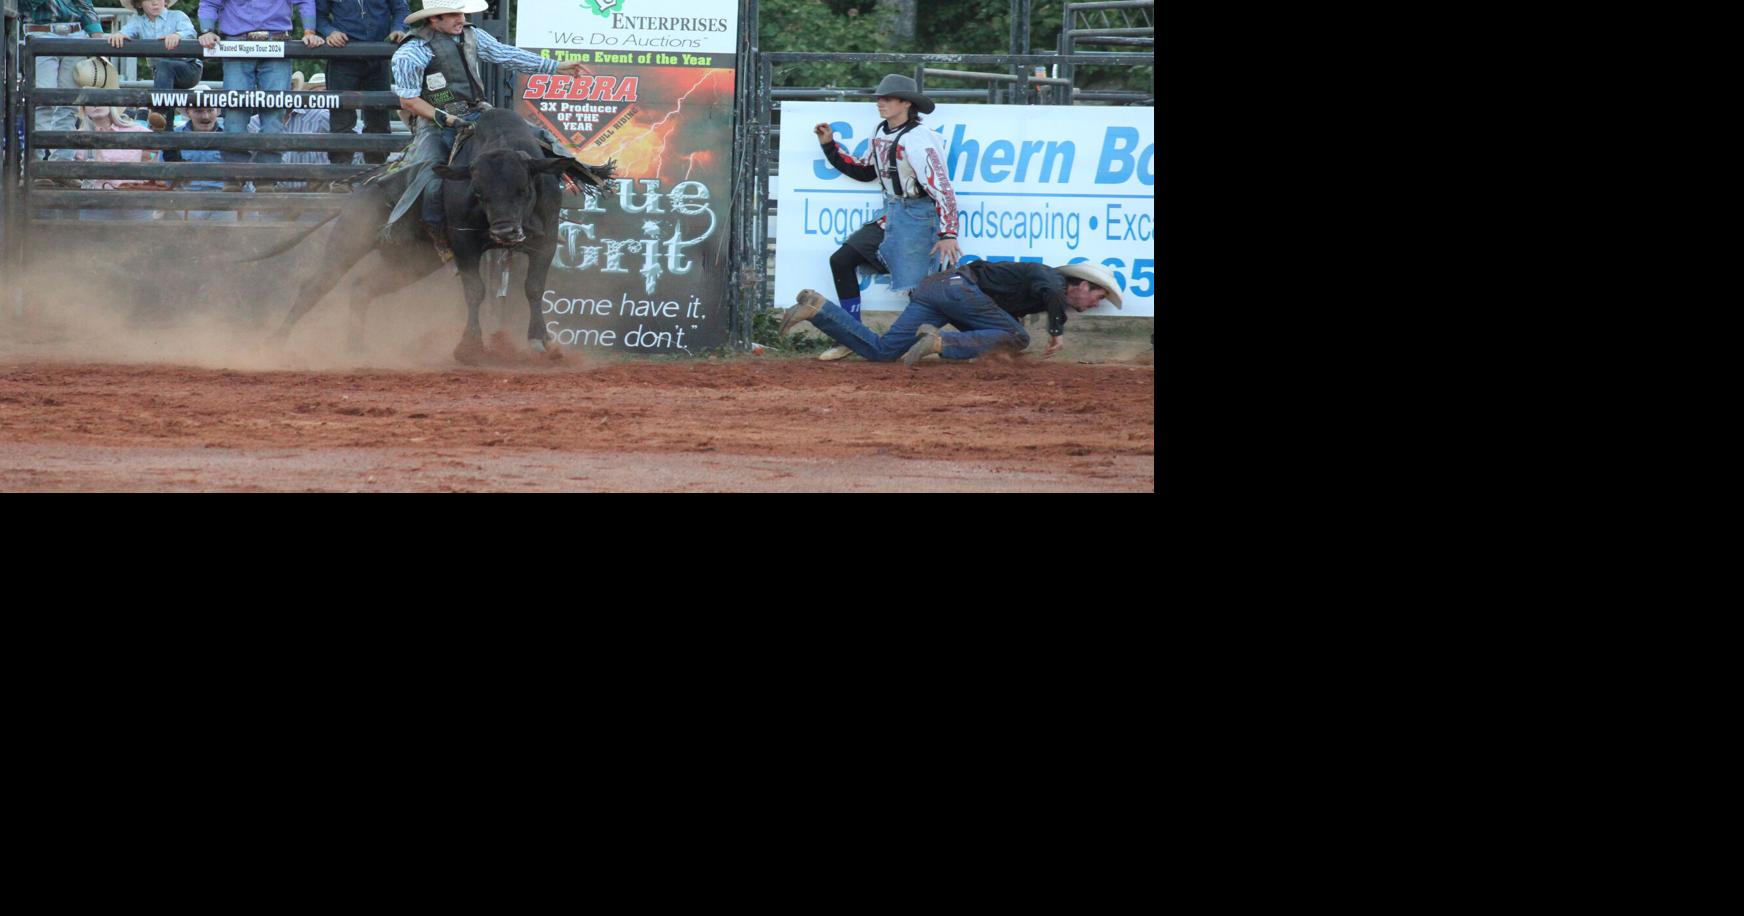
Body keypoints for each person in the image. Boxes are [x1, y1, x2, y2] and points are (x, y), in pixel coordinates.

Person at [387, 0, 587, 259]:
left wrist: (556, 67)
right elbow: (409, 101)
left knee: (543, 144)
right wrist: (446, 119)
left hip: (479, 113)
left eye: (462, 13)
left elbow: (506, 54)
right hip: (435, 122)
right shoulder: (411, 52)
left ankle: (543, 221)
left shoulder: (472, 35)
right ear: (434, 20)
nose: (461, 19)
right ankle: (438, 231)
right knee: (432, 174)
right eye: (454, 15)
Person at [811, 73, 961, 362]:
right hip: (894, 212)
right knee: (842, 260)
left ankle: (951, 344)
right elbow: (866, 170)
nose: (880, 102)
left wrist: (948, 233)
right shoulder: (881, 131)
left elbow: (942, 188)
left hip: (919, 215)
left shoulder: (920, 140)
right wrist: (830, 146)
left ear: (906, 103)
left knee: (920, 291)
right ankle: (850, 334)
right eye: (879, 97)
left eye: (888, 98)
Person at [779, 261, 1122, 367]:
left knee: (883, 352)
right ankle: (939, 343)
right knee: (1019, 337)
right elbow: (1047, 295)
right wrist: (1056, 329)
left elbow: (993, 322)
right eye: (1098, 296)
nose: (1095, 303)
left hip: (938, 289)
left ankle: (818, 309)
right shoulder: (1051, 280)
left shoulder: (1046, 283)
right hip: (959, 289)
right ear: (1082, 285)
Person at [197, 0, 325, 173]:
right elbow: (209, 3)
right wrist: (207, 31)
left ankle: (266, 175)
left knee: (274, 112)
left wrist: (309, 31)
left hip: (274, 43)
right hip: (240, 44)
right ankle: (237, 175)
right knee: (236, 112)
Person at [316, 0, 409, 165]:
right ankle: (341, 175)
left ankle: (374, 171)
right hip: (343, 56)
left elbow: (401, 9)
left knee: (379, 120)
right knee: (341, 121)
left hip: (378, 55)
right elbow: (318, 15)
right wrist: (330, 32)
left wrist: (398, 29)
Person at [19, 0, 105, 168]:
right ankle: (35, 167)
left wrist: (97, 34)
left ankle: (62, 165)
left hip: (75, 34)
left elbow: (85, 5)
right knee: (42, 101)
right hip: (40, 33)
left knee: (70, 103)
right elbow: (23, 6)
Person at [113, 0, 203, 128]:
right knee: (167, 109)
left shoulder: (177, 15)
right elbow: (126, 31)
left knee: (163, 66)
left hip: (189, 67)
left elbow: (190, 32)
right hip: (163, 76)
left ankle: (159, 111)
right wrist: (119, 35)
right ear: (139, 4)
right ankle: (167, 137)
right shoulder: (138, 20)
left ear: (165, 1)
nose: (155, 2)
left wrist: (177, 35)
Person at [73, 105, 162, 220]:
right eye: (90, 102)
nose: (96, 104)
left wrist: (147, 161)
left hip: (134, 201)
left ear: (110, 105)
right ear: (84, 109)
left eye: (101, 100)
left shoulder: (135, 130)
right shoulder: (77, 136)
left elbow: (158, 150)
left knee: (139, 236)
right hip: (96, 203)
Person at [164, 99, 237, 220]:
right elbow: (164, 173)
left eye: (210, 110)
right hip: (184, 200)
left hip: (223, 200)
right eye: (198, 111)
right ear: (188, 112)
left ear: (218, 111)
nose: (205, 116)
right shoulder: (174, 135)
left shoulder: (230, 135)